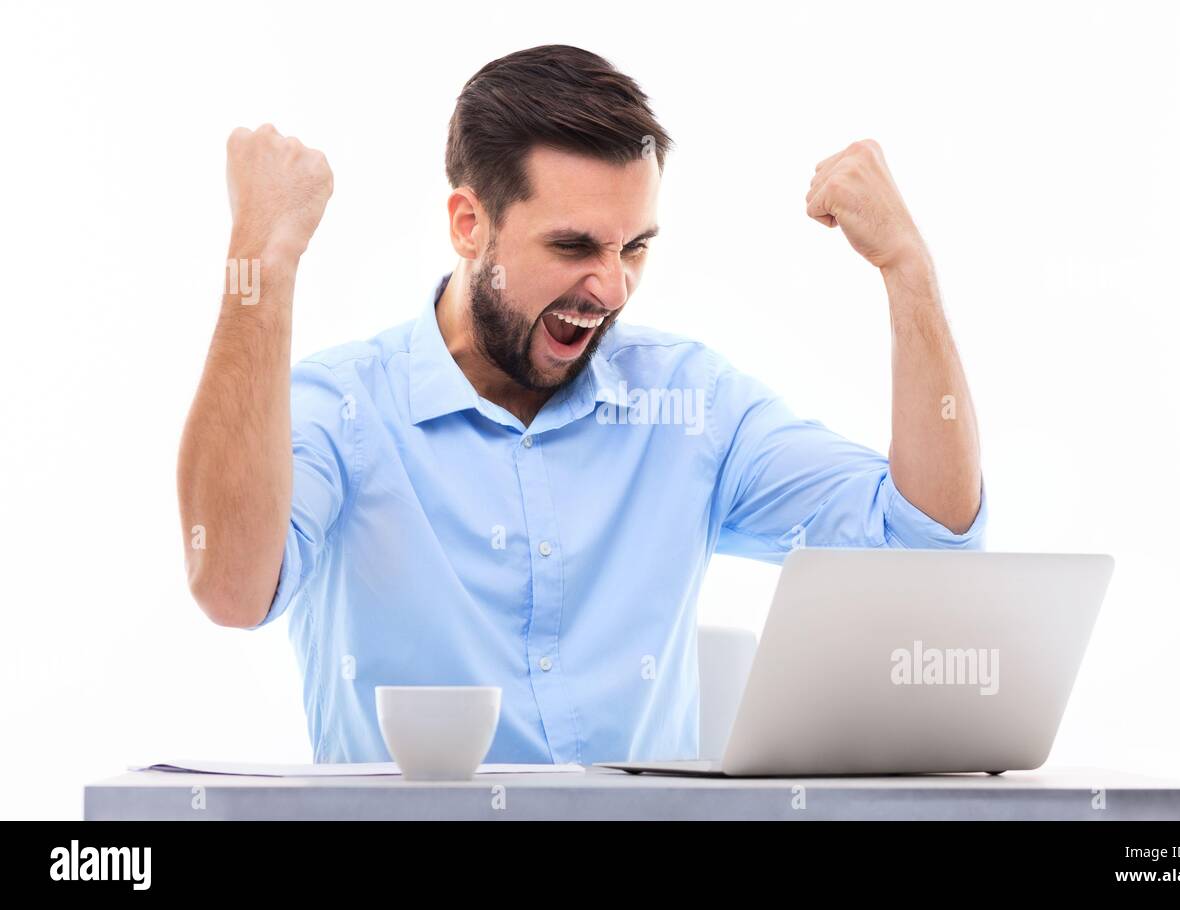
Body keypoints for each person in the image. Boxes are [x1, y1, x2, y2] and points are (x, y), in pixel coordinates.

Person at [177, 44, 987, 765]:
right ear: (469, 224)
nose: (610, 287)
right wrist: (262, 260)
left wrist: (906, 267)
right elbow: (230, 587)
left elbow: (926, 544)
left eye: (634, 247)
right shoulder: (346, 408)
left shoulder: (690, 405)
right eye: (572, 246)